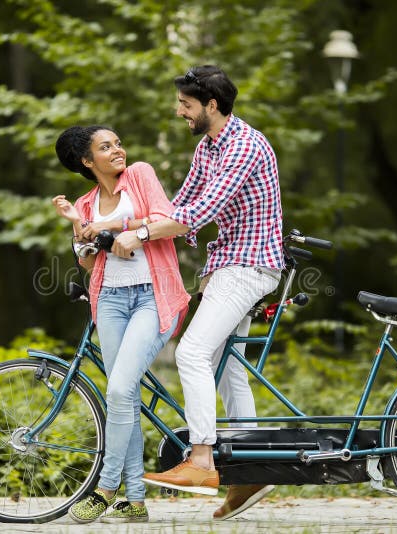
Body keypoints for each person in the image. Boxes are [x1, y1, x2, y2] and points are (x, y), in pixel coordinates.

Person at [112, 65, 284, 520]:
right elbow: (176, 207)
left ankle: (202, 460)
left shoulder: (244, 145)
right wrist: (116, 225)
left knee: (191, 354)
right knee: (230, 371)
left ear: (211, 105)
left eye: (186, 104)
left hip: (248, 267)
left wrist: (142, 236)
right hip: (229, 266)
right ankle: (253, 470)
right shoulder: (209, 148)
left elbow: (198, 214)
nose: (179, 111)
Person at [52, 125, 190, 524]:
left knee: (118, 387)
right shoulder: (86, 201)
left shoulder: (141, 175)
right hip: (109, 301)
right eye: (105, 147)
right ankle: (135, 501)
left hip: (153, 297)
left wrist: (114, 228)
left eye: (117, 143)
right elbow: (90, 260)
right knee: (123, 396)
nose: (118, 151)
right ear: (86, 160)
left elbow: (169, 220)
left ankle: (105, 489)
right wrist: (79, 222)